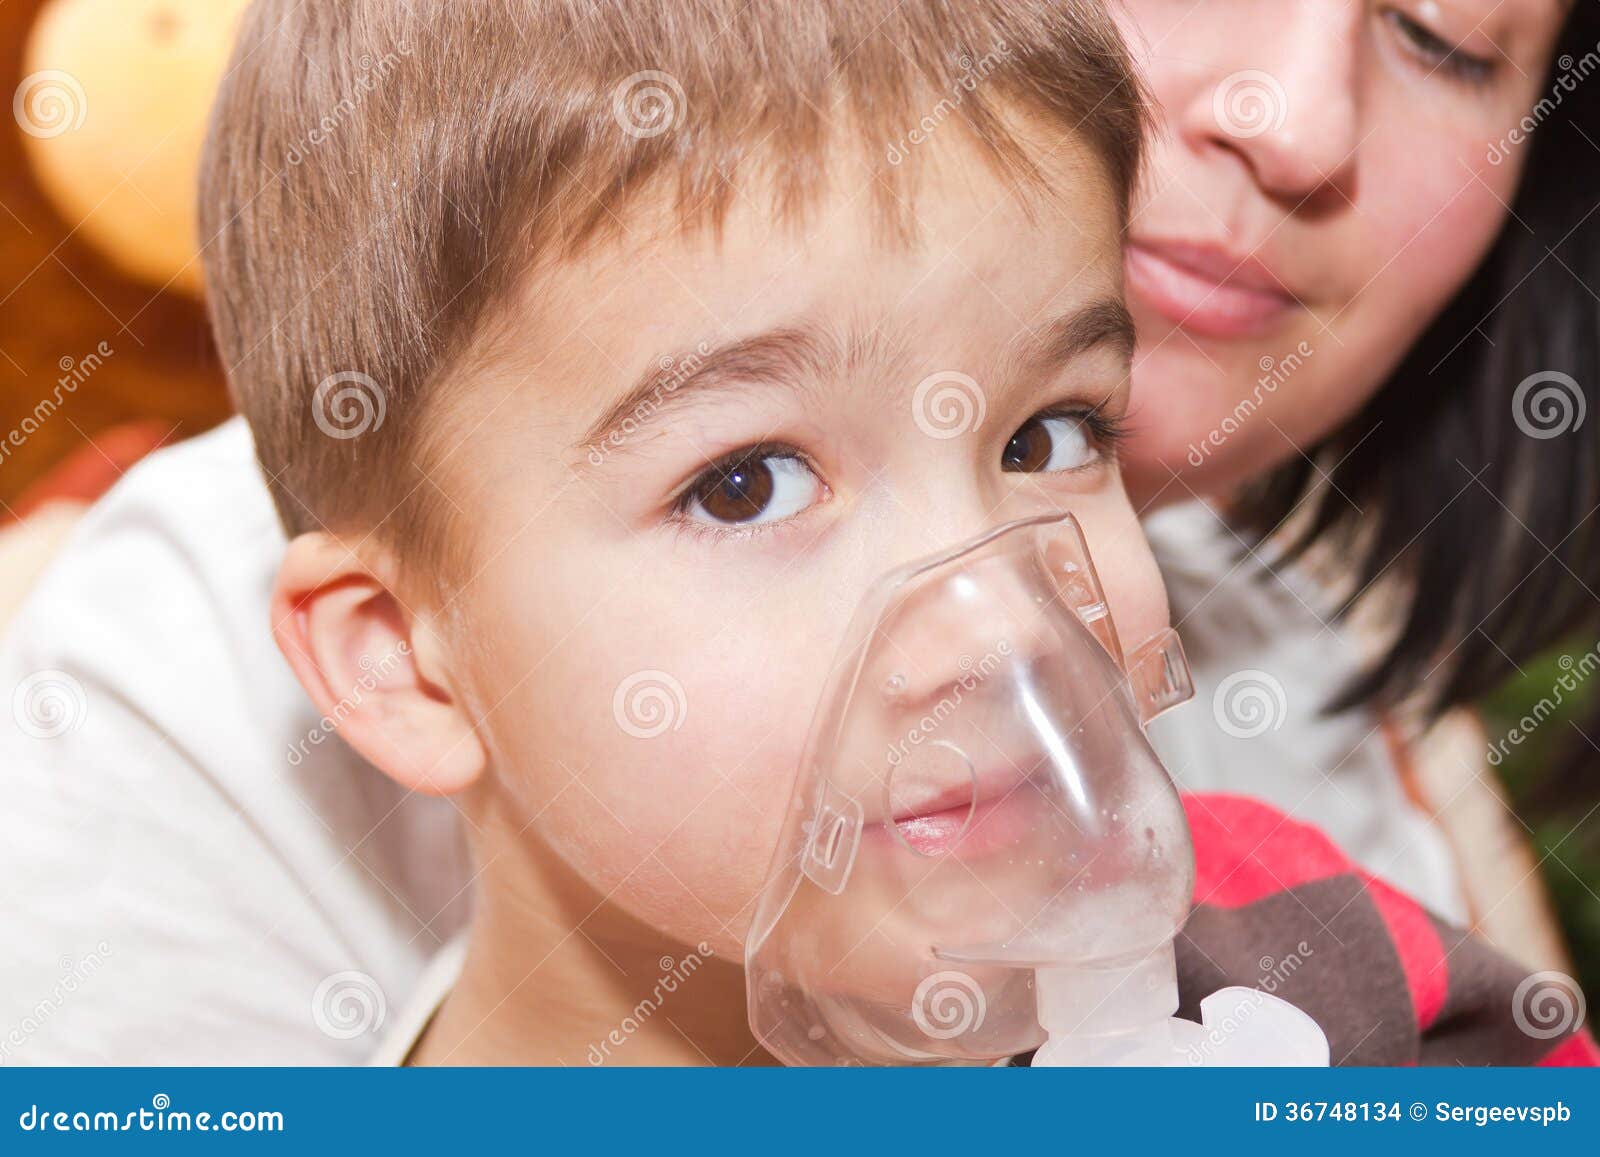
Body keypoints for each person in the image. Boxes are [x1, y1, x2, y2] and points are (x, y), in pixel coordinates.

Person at [0, 0, 1593, 1061]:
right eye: (746, 482)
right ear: (399, 659)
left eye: (1051, 436)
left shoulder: (1326, 960)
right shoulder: (165, 693)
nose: (998, 618)